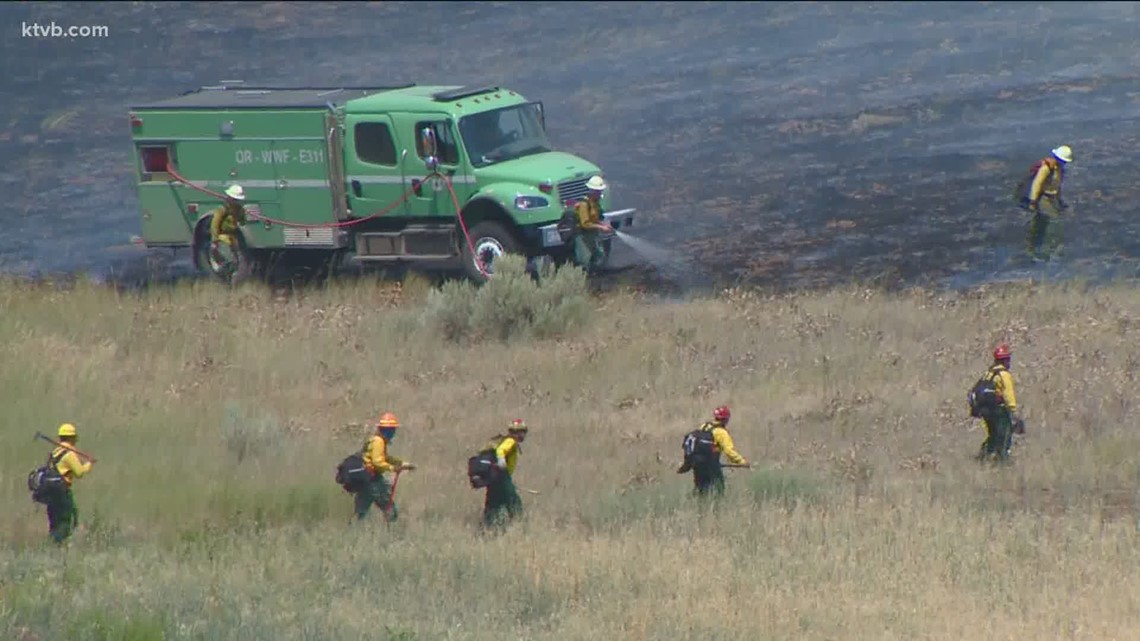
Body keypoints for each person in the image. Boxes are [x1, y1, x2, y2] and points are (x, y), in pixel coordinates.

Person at [678, 406, 750, 497]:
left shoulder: (705, 426)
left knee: (701, 487)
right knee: (719, 488)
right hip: (711, 464)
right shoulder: (721, 432)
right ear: (726, 419)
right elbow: (729, 451)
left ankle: (696, 504)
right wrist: (742, 462)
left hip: (697, 463)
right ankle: (716, 507)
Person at [356, 412, 415, 522]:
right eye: (391, 430)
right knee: (390, 511)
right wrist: (393, 468)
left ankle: (353, 531)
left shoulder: (375, 440)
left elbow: (385, 458)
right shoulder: (379, 441)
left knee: (360, 512)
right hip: (373, 480)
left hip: (365, 479)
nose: (392, 433)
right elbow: (378, 461)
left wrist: (402, 464)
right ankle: (391, 534)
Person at [1021, 145, 1073, 261]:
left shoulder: (1059, 169)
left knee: (1041, 222)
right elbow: (1037, 184)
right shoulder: (1046, 168)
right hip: (1043, 198)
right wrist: (1033, 201)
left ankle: (1038, 248)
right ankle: (1045, 249)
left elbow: (1057, 187)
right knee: (1054, 220)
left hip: (1051, 198)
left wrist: (1060, 201)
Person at [47, 423, 94, 544]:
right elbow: (79, 473)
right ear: (72, 438)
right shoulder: (69, 454)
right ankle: (58, 547)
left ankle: (52, 546)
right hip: (62, 492)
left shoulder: (55, 452)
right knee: (67, 522)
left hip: (51, 493)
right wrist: (89, 463)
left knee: (55, 523)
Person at [975, 344, 1024, 462]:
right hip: (999, 410)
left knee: (993, 434)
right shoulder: (1004, 375)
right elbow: (1008, 395)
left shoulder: (989, 373)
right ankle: (1002, 461)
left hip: (985, 410)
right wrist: (1013, 412)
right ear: (1005, 360)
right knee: (1005, 435)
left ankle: (984, 456)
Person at [481, 419, 528, 529]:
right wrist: (502, 462)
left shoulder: (504, 440)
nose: (523, 434)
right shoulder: (510, 441)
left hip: (494, 479)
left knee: (492, 506)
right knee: (515, 504)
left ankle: (486, 529)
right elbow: (501, 451)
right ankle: (519, 527)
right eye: (522, 431)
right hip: (502, 478)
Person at [572, 175, 614, 274]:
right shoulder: (584, 204)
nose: (600, 193)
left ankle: (595, 275)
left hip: (592, 235)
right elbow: (585, 223)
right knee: (584, 259)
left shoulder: (595, 203)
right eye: (598, 191)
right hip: (582, 236)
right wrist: (601, 227)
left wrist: (604, 225)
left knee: (599, 255)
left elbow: (595, 219)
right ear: (592, 191)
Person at [209, 184, 249, 270]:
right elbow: (215, 225)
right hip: (223, 237)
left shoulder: (239, 209)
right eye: (234, 199)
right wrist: (215, 240)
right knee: (227, 259)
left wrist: (243, 216)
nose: (236, 201)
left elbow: (242, 222)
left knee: (236, 260)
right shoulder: (222, 209)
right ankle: (223, 271)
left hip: (233, 237)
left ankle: (231, 273)